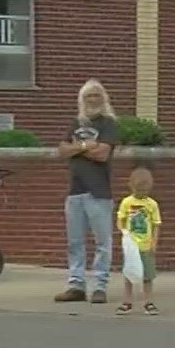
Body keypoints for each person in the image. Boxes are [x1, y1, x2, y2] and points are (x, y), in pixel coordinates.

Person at [55, 79, 119, 304]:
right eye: (89, 96)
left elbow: (103, 154)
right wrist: (85, 146)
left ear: (103, 99)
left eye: (97, 95)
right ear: (82, 99)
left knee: (102, 242)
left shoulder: (108, 124)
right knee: (75, 242)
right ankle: (76, 285)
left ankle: (100, 286)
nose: (93, 99)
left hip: (98, 191)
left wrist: (77, 149)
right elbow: (62, 151)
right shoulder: (75, 123)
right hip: (75, 191)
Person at [115, 166, 162, 316]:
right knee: (129, 274)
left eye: (144, 191)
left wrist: (154, 242)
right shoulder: (127, 202)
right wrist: (124, 234)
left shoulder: (152, 204)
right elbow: (120, 219)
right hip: (131, 246)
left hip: (145, 245)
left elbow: (156, 224)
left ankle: (148, 302)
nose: (141, 194)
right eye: (138, 191)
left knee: (147, 276)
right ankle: (127, 302)